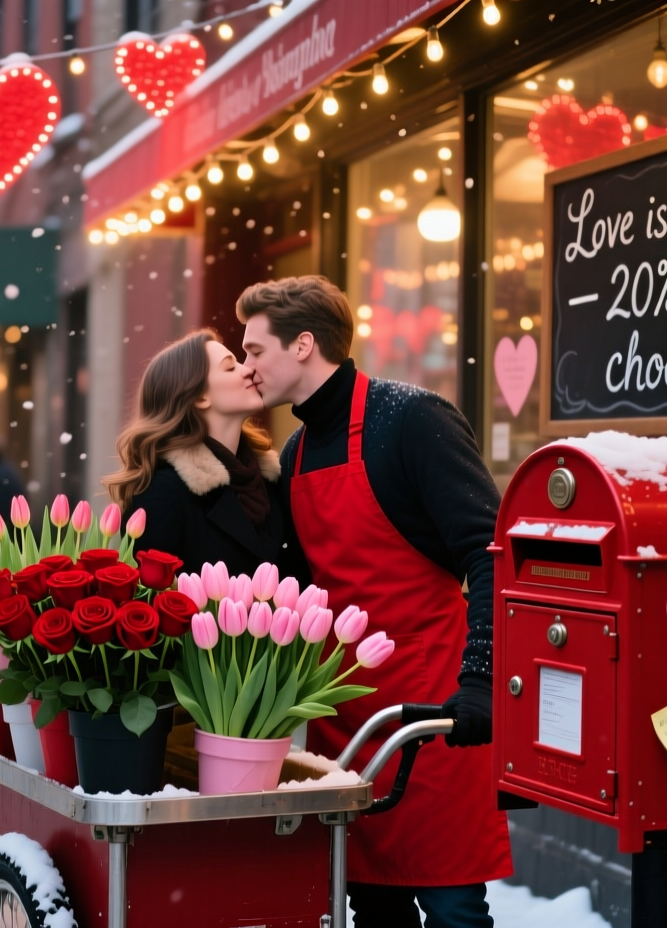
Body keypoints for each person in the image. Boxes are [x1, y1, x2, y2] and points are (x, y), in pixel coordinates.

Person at [239, 276, 510, 928]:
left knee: (454, 909)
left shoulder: (413, 420)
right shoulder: (297, 452)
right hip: (348, 717)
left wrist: (482, 678)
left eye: (254, 350)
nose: (246, 367)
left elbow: (492, 554)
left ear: (303, 344)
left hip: (435, 706)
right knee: (374, 908)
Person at [107, 330, 283, 577]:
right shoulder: (162, 493)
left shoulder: (274, 480)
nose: (248, 370)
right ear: (200, 397)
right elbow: (154, 601)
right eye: (230, 367)